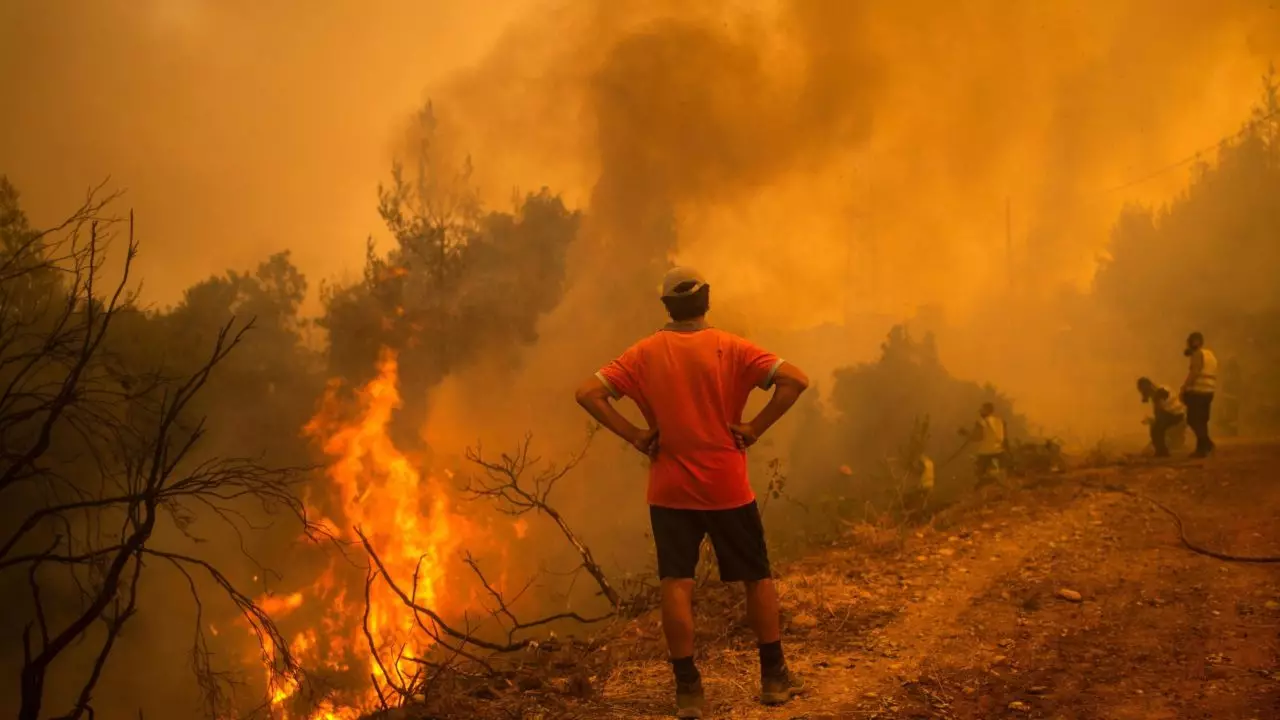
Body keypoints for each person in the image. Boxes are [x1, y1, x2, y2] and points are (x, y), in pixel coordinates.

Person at [574, 267, 810, 718]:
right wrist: (754, 427)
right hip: (727, 487)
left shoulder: (643, 354)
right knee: (756, 578)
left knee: (676, 583)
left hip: (669, 490)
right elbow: (794, 380)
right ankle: (774, 678)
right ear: (707, 300)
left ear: (666, 306)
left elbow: (588, 393)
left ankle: (688, 692)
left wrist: (637, 435)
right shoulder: (733, 348)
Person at [1180, 331, 1218, 458]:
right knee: (1202, 421)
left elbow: (1195, 372)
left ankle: (1207, 444)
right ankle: (1201, 449)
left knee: (1193, 419)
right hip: (1209, 392)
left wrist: (1184, 388)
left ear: (1194, 342)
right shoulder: (1210, 355)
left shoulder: (1197, 354)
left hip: (1198, 392)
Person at [1137, 376, 1186, 457]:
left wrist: (1152, 421)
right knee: (1156, 427)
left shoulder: (1159, 393)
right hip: (1177, 415)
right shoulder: (1161, 389)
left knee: (1156, 428)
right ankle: (1161, 450)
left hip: (1176, 415)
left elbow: (1161, 410)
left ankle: (1162, 452)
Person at [967, 402, 1007, 487]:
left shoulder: (982, 422)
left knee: (979, 475)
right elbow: (1004, 437)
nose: (980, 412)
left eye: (982, 410)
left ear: (986, 411)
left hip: (985, 453)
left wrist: (965, 434)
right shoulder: (1000, 421)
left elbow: (977, 438)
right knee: (1002, 476)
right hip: (999, 451)